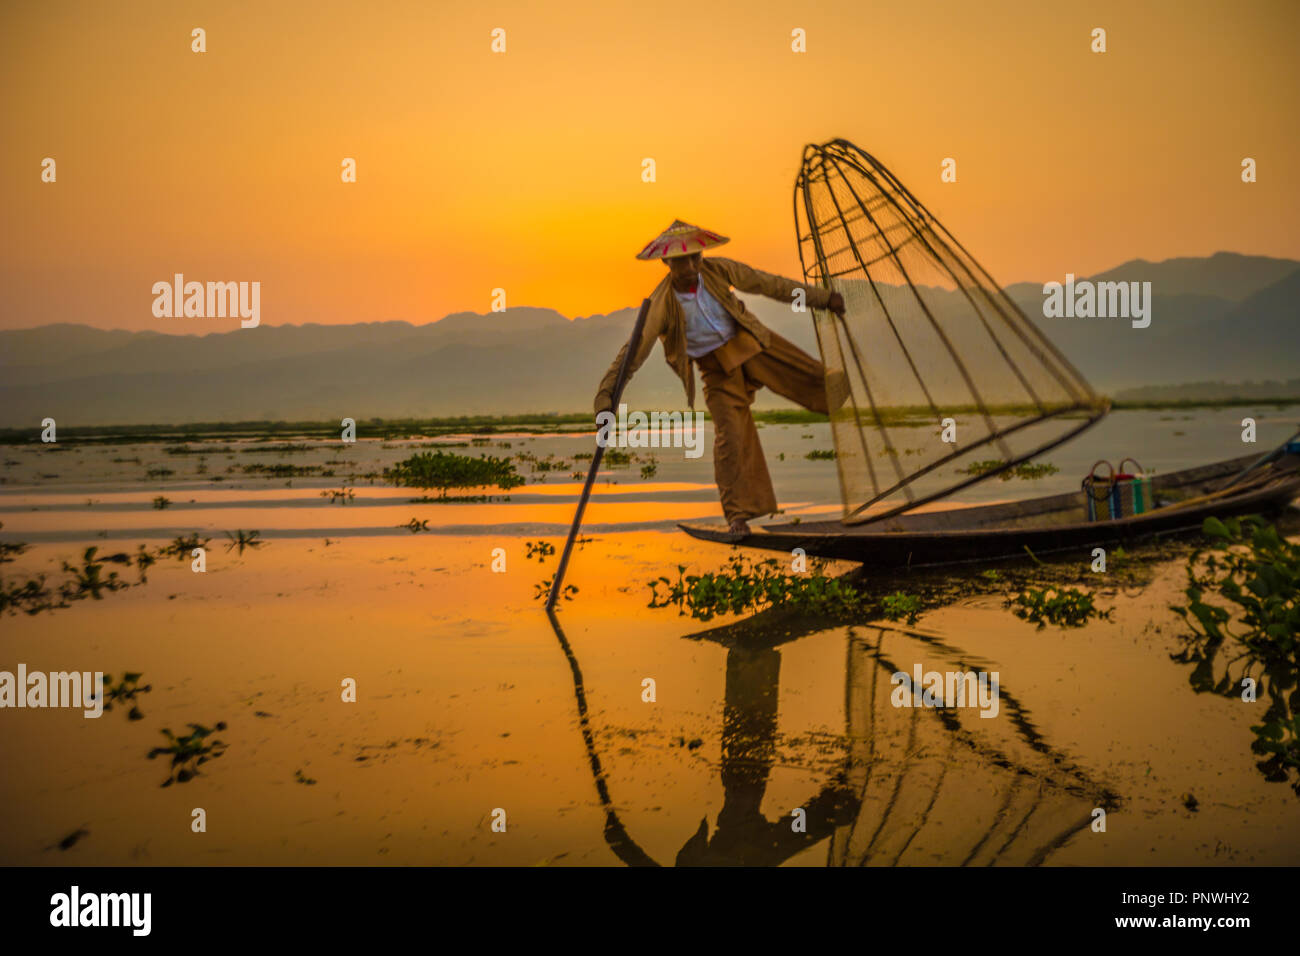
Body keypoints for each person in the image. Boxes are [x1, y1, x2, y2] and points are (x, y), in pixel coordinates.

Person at [594, 219, 847, 540]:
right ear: (666, 262)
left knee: (814, 378)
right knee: (730, 436)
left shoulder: (719, 271)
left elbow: (771, 285)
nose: (689, 266)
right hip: (717, 370)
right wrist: (605, 402)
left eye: (694, 258)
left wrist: (823, 299)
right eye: (680, 260)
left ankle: (847, 407)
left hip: (752, 344)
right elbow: (631, 354)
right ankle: (738, 516)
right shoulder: (661, 305)